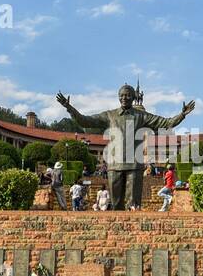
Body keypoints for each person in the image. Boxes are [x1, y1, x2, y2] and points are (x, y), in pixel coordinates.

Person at [56, 84, 195, 211]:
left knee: (133, 205)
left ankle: (134, 236)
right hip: (115, 165)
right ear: (118, 97)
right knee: (116, 205)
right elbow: (85, 121)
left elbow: (165, 122)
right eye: (121, 95)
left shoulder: (141, 115)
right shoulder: (110, 115)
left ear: (134, 97)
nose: (124, 98)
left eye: (128, 95)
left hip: (134, 165)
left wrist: (182, 115)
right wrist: (69, 108)